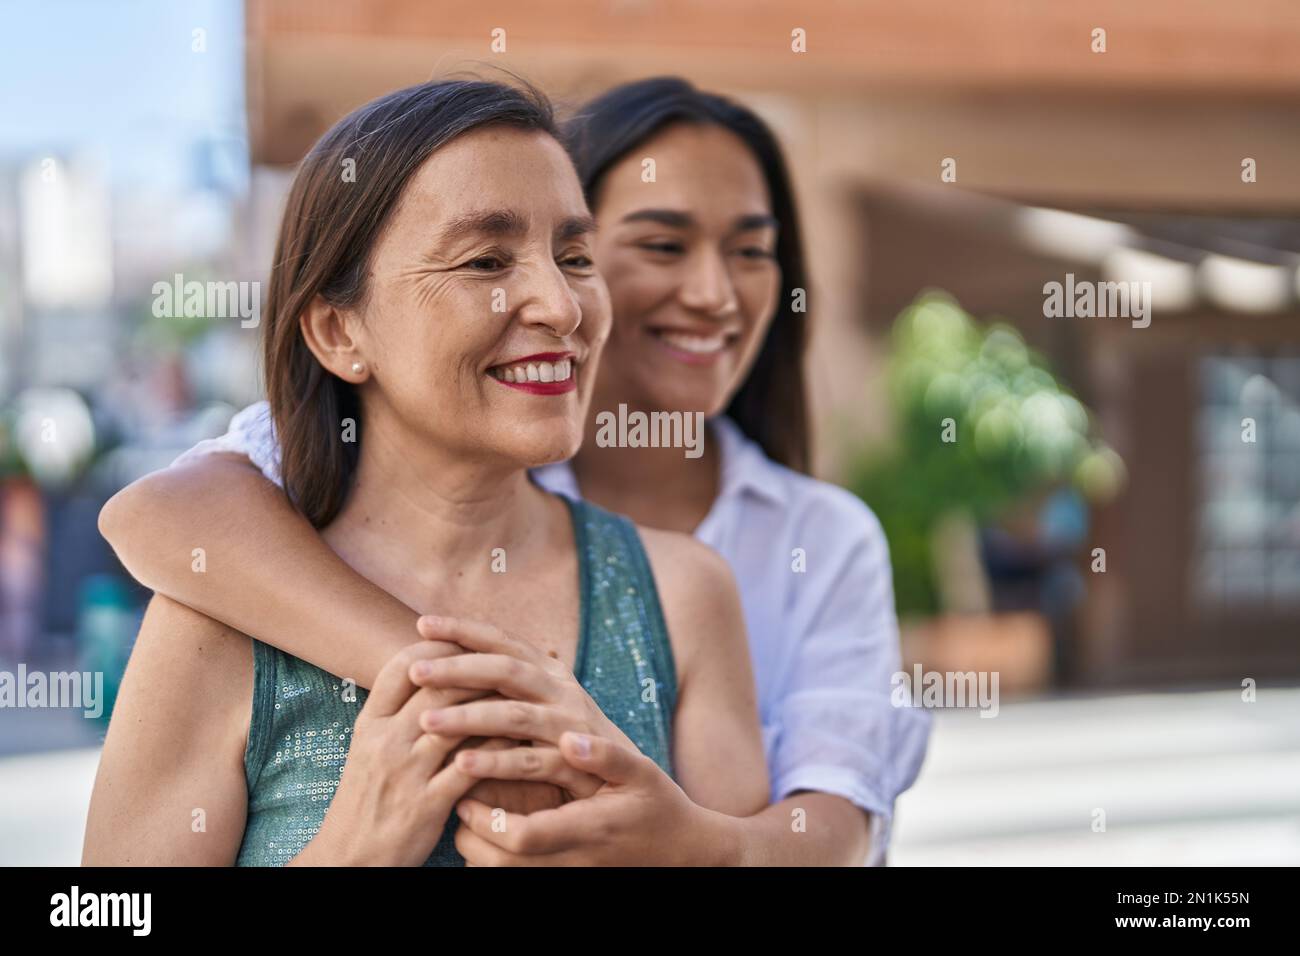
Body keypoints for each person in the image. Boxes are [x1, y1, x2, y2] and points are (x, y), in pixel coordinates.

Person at [99, 77, 930, 866]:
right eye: (486, 263)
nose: (563, 308)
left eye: (575, 257)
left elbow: (824, 833)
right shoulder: (223, 613)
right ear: (338, 333)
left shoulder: (684, 595)